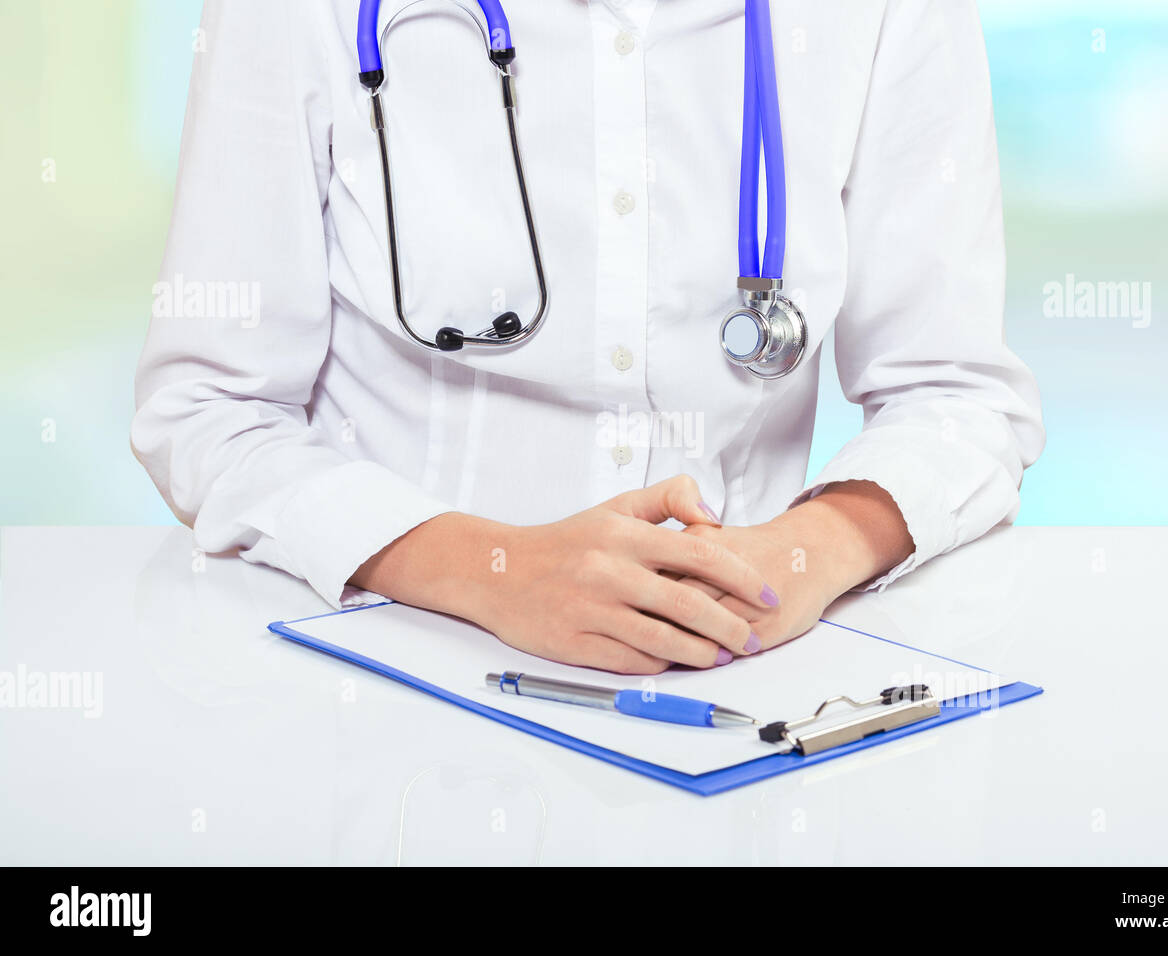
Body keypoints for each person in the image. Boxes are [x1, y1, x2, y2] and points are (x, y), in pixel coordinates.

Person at [132, 0, 1044, 674]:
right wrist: (493, 571)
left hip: (743, 683)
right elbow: (210, 410)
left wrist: (799, 557)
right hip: (392, 662)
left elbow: (955, 394)